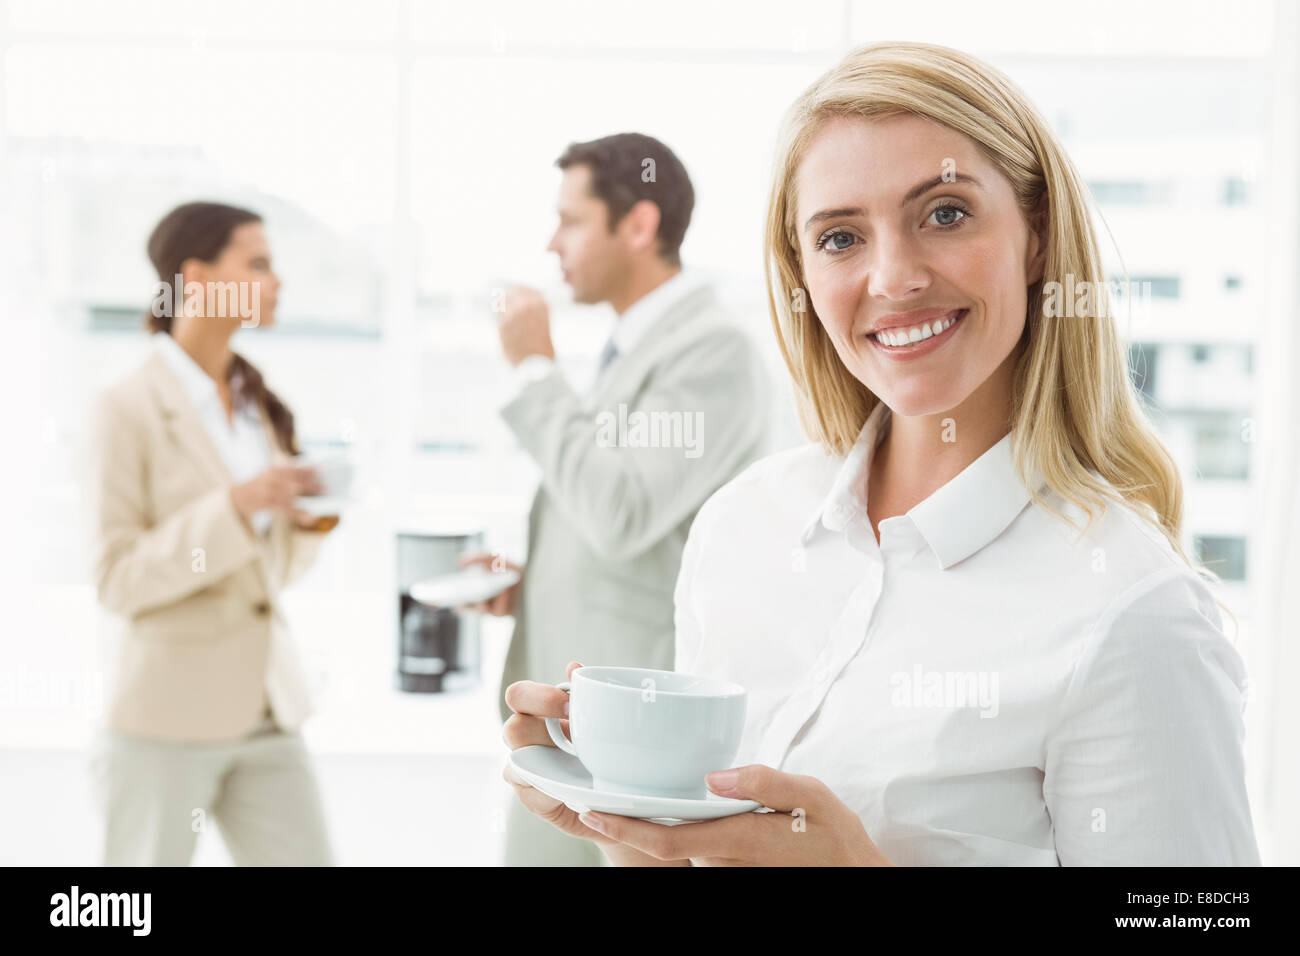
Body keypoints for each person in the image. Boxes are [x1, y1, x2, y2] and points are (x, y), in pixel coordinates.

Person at [500, 43, 1262, 866]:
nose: (894, 278)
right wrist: (624, 805)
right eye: (839, 238)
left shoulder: (1131, 611)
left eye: (944, 213)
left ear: (1036, 237)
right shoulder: (742, 529)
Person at [462, 133, 770, 866]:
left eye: (570, 221)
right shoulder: (631, 348)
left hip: (636, 743)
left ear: (637, 226)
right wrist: (530, 577)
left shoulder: (715, 352)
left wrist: (537, 369)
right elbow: (614, 515)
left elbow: (621, 509)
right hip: (577, 730)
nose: (551, 243)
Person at [88, 201, 336, 866]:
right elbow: (117, 580)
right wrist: (234, 507)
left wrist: (307, 526)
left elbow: (269, 574)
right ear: (197, 277)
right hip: (166, 717)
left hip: (268, 707)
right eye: (258, 264)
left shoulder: (260, 405)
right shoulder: (125, 408)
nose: (276, 281)